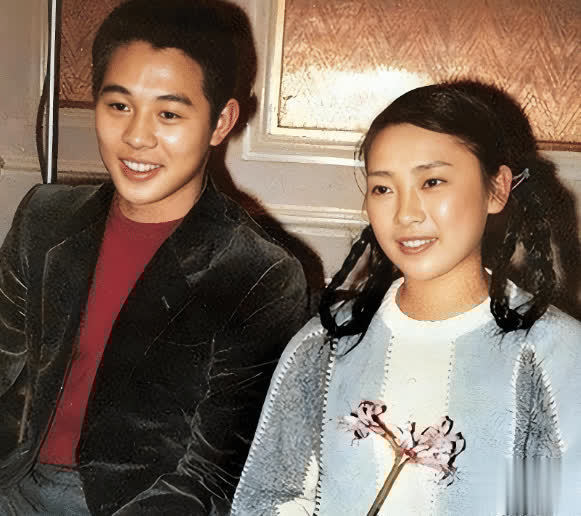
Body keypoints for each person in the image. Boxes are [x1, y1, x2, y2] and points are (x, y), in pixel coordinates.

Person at [0, 0, 309, 514]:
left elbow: (211, 476)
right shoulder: (43, 219)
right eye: (118, 106)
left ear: (221, 121)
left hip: (135, 504)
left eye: (168, 114)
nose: (137, 137)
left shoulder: (260, 276)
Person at [231, 81, 581, 515]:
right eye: (383, 188)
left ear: (497, 189)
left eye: (432, 182)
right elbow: (270, 497)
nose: (406, 213)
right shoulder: (326, 343)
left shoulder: (554, 355)